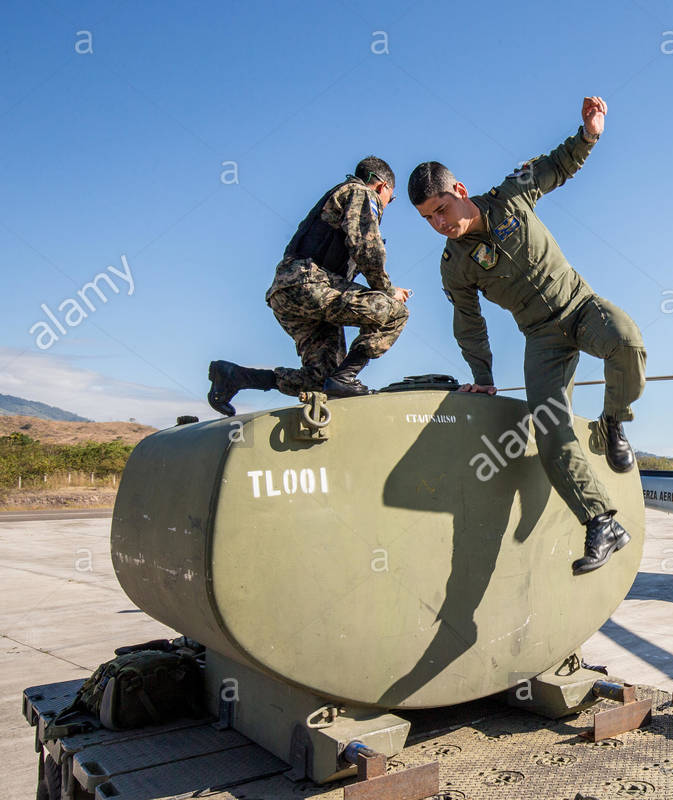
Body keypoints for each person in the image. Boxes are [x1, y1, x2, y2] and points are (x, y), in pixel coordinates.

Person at [408, 97, 647, 576]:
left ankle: (613, 422)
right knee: (549, 428)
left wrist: (590, 134)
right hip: (541, 338)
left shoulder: (511, 194)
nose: (439, 224)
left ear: (459, 189)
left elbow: (558, 165)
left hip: (580, 306)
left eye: (441, 209)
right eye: (428, 219)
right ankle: (601, 521)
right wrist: (483, 377)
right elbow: (468, 322)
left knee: (627, 342)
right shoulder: (454, 266)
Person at [207, 157, 412, 415]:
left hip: (289, 293)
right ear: (382, 187)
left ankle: (235, 377)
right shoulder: (361, 193)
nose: (386, 205)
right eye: (390, 199)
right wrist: (387, 290)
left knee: (321, 380)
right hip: (309, 284)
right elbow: (367, 249)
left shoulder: (340, 197)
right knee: (395, 313)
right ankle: (346, 378)